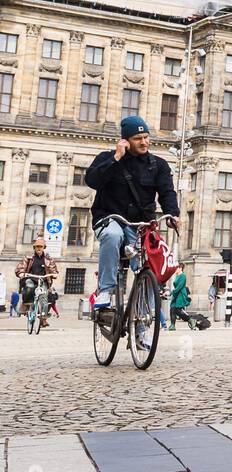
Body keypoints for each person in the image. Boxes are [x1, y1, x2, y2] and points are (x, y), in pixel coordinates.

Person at [85, 117, 179, 323]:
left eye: (146, 137)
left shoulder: (158, 165)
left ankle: (142, 326)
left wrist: (172, 214)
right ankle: (105, 291)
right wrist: (116, 158)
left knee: (148, 269)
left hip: (140, 225)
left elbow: (167, 193)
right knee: (112, 234)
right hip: (111, 218)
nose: (144, 142)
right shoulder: (107, 158)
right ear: (125, 140)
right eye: (138, 138)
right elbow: (92, 180)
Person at [15, 238, 59, 327]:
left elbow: (53, 268)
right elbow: (21, 267)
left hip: (43, 280)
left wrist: (54, 274)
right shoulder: (29, 258)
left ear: (44, 248)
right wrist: (21, 273)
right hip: (31, 278)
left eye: (41, 247)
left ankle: (43, 319)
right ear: (34, 248)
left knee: (45, 299)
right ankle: (25, 304)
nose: (39, 248)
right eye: (37, 247)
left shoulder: (48, 259)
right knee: (29, 287)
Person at [169, 265, 195, 329]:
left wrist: (171, 292)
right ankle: (172, 325)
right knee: (172, 309)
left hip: (180, 294)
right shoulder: (177, 276)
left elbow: (179, 287)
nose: (175, 270)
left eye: (176, 268)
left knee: (178, 310)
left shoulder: (183, 276)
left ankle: (190, 320)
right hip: (176, 294)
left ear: (180, 268)